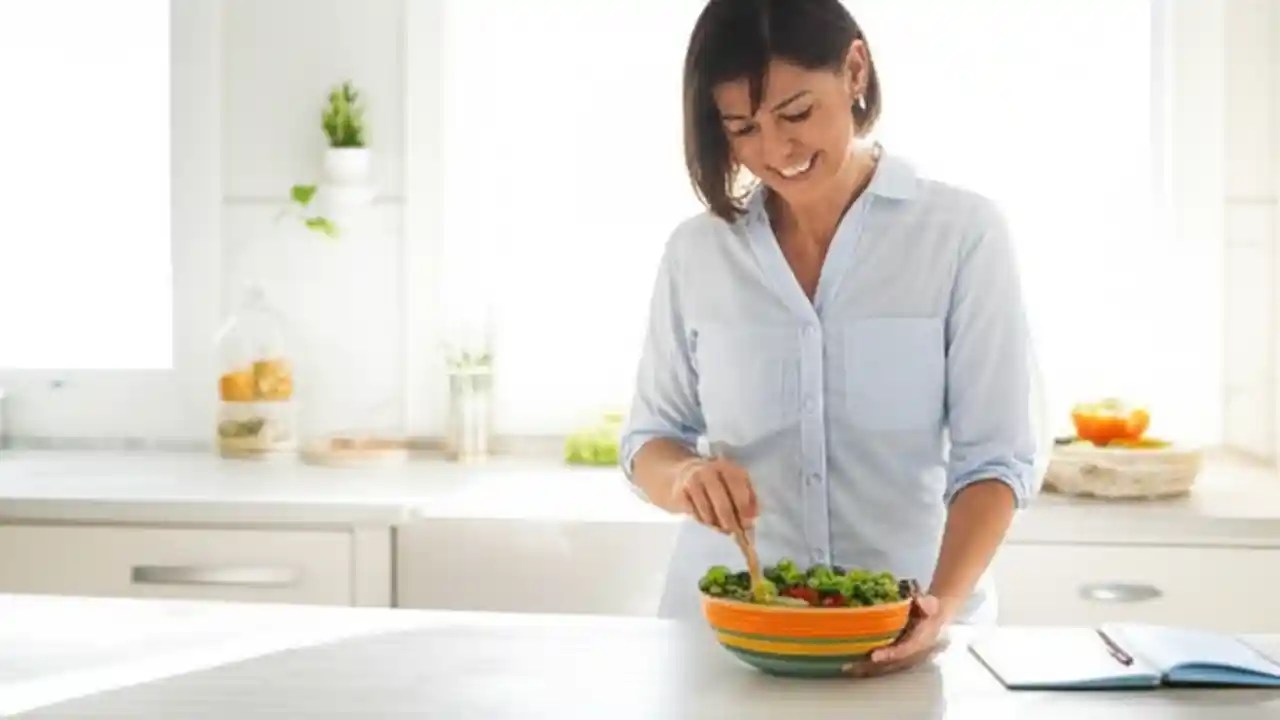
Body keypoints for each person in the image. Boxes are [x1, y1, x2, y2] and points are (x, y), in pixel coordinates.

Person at [619, 0, 1047, 675]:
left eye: (795, 113)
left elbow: (995, 461)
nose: (775, 151)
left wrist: (940, 606)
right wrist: (687, 476)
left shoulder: (961, 234)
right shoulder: (698, 253)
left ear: (854, 70)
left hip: (906, 640)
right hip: (727, 653)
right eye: (742, 128)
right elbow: (649, 442)